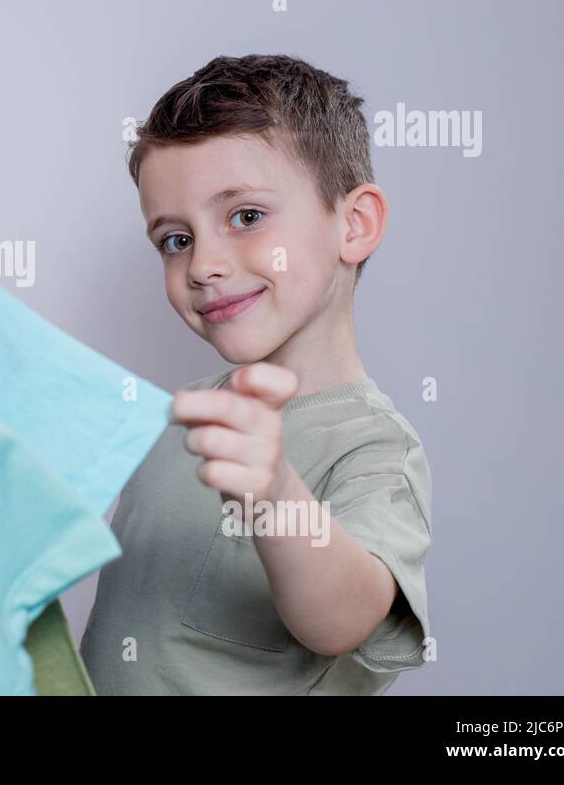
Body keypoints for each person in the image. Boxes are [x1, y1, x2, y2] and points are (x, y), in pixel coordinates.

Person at [80, 55, 433, 694]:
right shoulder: (183, 413)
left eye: (246, 217)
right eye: (175, 239)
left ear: (354, 225)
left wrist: (273, 495)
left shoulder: (375, 449)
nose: (203, 264)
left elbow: (343, 620)